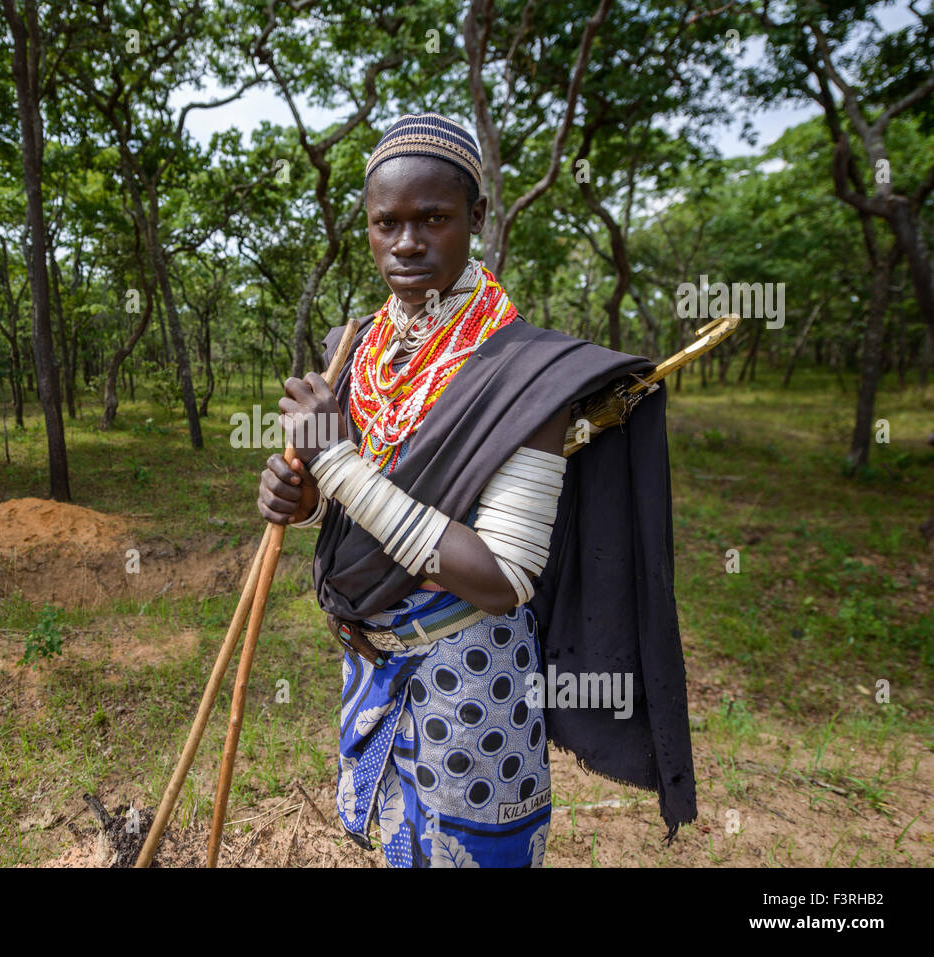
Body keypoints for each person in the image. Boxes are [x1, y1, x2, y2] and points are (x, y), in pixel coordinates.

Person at [258, 113, 696, 868]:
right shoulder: (356, 346)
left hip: (471, 674)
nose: (406, 243)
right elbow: (367, 490)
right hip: (370, 661)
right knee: (398, 850)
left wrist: (334, 466)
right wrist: (304, 498)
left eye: (433, 218)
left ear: (478, 219)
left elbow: (501, 576)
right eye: (385, 223)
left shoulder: (523, 372)